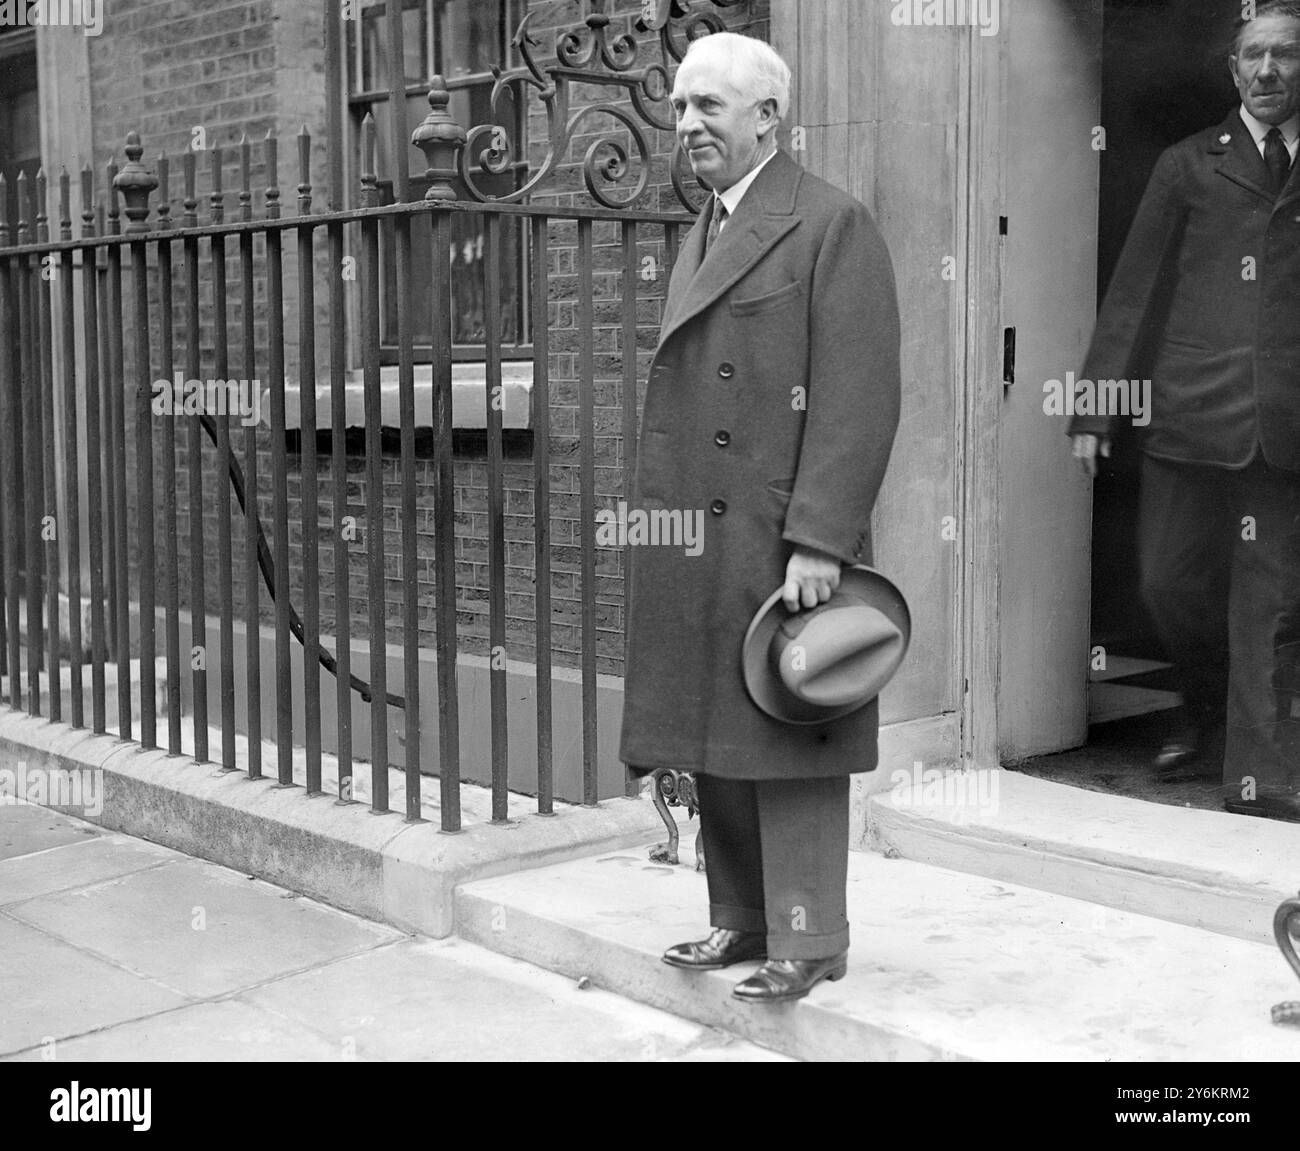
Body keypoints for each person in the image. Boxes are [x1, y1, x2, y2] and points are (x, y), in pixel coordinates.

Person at [618, 31, 901, 1002]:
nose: (686, 123)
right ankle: (739, 915)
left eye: (708, 105)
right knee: (716, 729)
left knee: (793, 725)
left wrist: (821, 539)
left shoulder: (829, 222)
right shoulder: (704, 225)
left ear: (768, 117)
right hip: (701, 531)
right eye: (680, 107)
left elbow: (858, 398)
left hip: (780, 535)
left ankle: (811, 935)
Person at [1070, 3, 1300, 821]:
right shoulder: (1187, 163)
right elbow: (1134, 289)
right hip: (1189, 415)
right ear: (1232, 70)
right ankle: (1203, 704)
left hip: (1284, 425)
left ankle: (1258, 775)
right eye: (1254, 56)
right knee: (1168, 584)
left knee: (1269, 604)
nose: (1268, 70)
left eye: (1286, 54)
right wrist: (1095, 407)